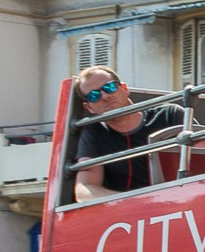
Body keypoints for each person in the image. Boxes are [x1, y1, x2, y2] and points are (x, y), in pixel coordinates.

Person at [62, 65, 155, 198]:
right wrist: (132, 203)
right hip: (134, 214)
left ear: (124, 88)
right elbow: (84, 190)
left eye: (110, 87)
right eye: (94, 96)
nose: (105, 96)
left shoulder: (170, 114)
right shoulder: (94, 133)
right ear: (89, 108)